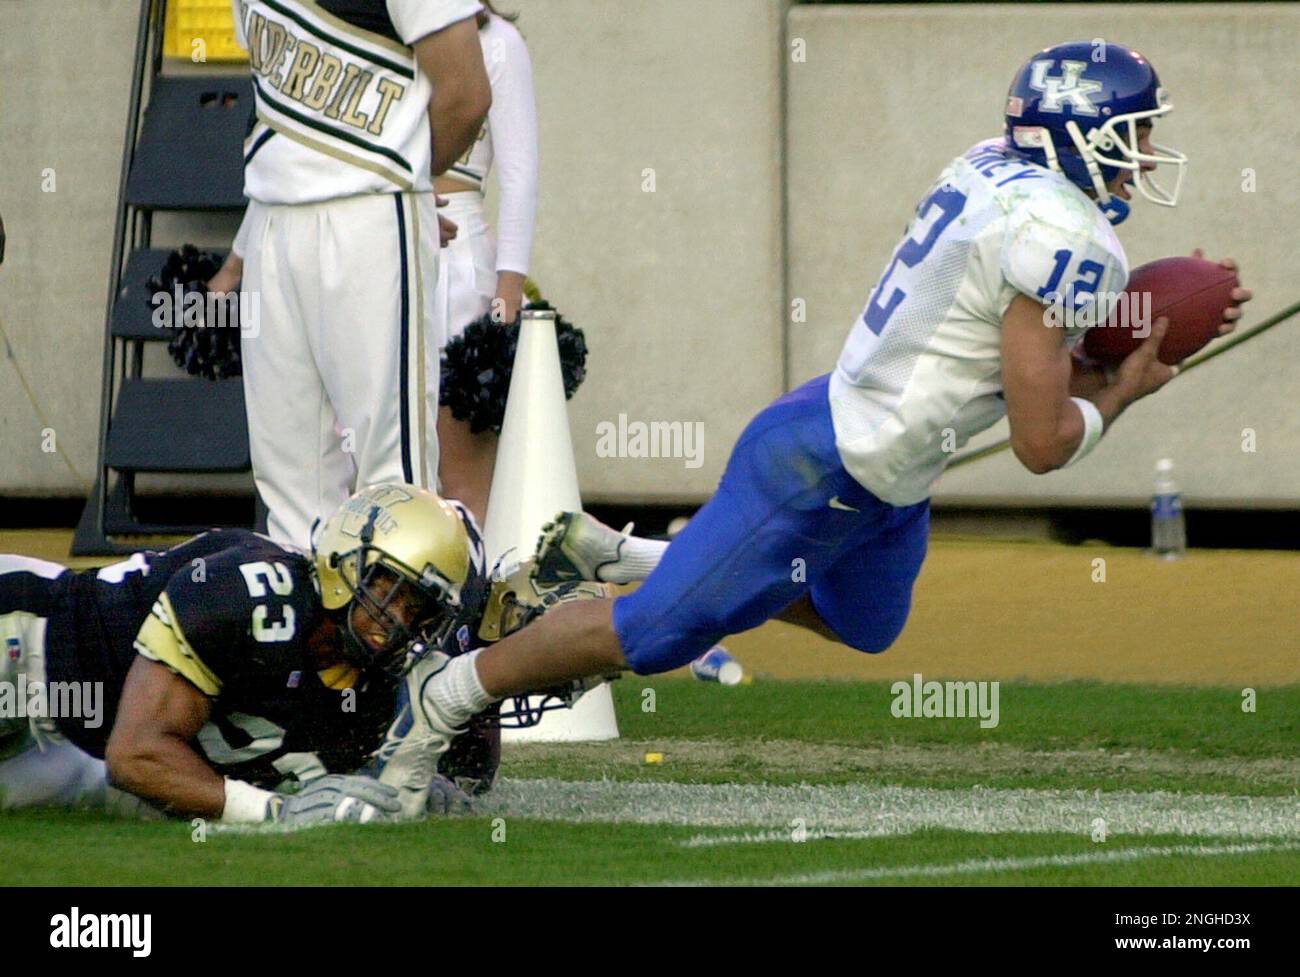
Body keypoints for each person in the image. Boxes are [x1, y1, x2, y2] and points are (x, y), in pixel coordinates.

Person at [370, 43, 1256, 799]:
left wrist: (1117, 341)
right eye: (1135, 133)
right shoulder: (1063, 236)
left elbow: (1017, 347)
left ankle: (645, 553)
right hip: (820, 468)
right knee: (647, 635)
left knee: (866, 622)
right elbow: (1039, 442)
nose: (1145, 154)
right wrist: (1124, 389)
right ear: (1081, 133)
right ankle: (442, 697)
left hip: (873, 457)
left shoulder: (996, 167)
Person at [0, 484, 488, 824]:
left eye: (417, 607)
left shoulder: (364, 683)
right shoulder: (253, 593)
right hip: (23, 642)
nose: (398, 617)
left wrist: (402, 780)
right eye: (390, 588)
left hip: (74, 741)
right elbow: (137, 754)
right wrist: (271, 813)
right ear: (348, 560)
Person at [228, 0, 491, 550]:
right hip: (272, 212)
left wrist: (398, 178)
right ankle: (305, 633)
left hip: (368, 214)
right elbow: (276, 95)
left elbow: (466, 96)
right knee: (290, 479)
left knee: (393, 473)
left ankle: (407, 633)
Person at [435, 2, 539, 525]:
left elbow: (520, 175)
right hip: (380, 236)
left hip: (459, 250)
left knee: (461, 468)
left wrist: (508, 288)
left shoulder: (498, 41)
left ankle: (474, 600)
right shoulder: (383, 31)